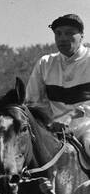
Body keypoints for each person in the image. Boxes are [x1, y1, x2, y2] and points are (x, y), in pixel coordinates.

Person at [26, 13, 90, 143]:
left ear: (82, 35)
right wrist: (49, 122)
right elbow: (32, 103)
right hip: (55, 132)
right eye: (58, 33)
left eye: (69, 33)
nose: (62, 38)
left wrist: (69, 116)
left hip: (87, 129)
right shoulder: (44, 63)